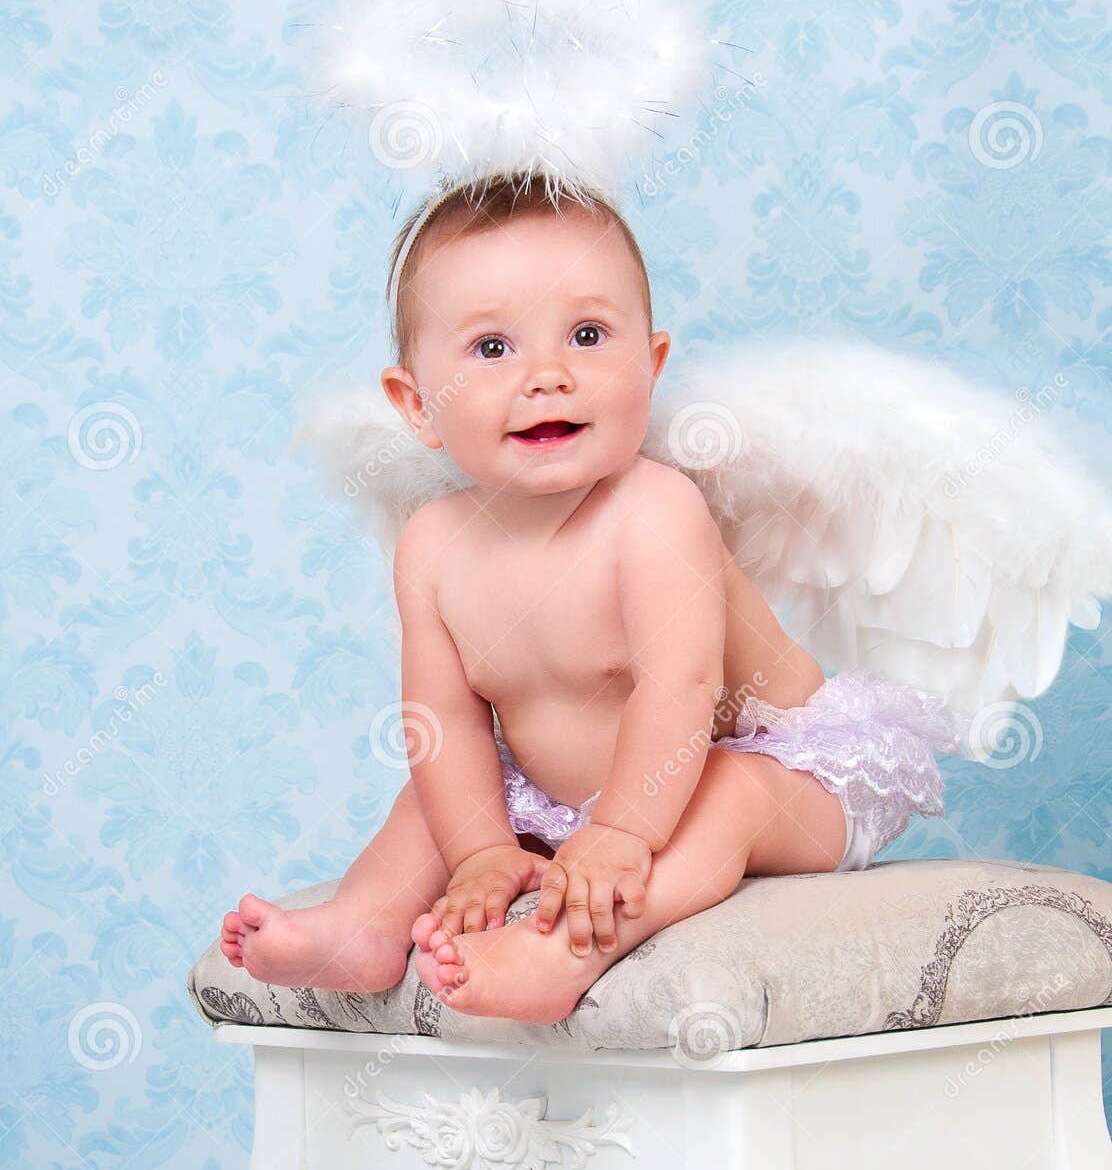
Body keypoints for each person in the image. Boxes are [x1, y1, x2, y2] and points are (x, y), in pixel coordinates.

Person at [218, 171, 963, 1023]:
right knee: (434, 797)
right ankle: (365, 925)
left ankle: (566, 953)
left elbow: (680, 691)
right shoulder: (432, 546)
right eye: (491, 349)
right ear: (417, 404)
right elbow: (445, 720)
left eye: (587, 335)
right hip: (580, 798)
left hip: (788, 779)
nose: (548, 376)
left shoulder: (654, 511)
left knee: (726, 788)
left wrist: (619, 834)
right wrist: (482, 851)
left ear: (650, 365)